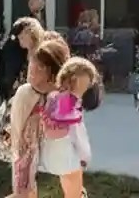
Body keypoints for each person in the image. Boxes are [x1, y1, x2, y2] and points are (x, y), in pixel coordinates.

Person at [8, 38, 69, 198]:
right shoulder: (25, 93)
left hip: (53, 163)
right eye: (32, 64)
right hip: (26, 157)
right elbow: (17, 131)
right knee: (23, 191)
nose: (32, 70)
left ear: (53, 72)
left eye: (40, 67)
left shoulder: (62, 97)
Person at [40, 57, 97, 198]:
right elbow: (77, 135)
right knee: (74, 194)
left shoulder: (53, 96)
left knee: (70, 187)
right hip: (68, 155)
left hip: (53, 154)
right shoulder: (71, 105)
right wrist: (85, 157)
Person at [0, 17, 45, 102]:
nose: (19, 38)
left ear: (31, 33)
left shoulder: (41, 54)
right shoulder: (23, 52)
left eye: (23, 36)